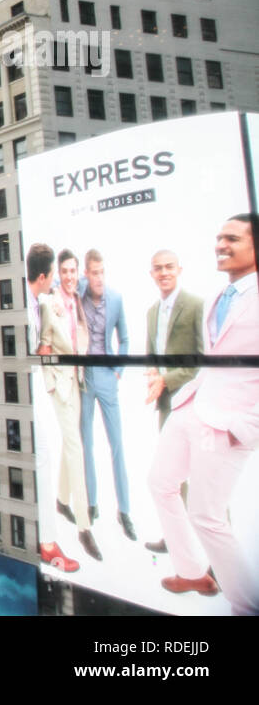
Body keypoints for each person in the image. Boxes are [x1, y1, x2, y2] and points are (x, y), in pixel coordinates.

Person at [147, 214, 259, 613]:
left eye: (232, 238)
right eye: (218, 238)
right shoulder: (217, 296)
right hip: (193, 407)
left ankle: (247, 604)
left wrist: (247, 427)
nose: (220, 245)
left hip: (230, 423)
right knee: (160, 483)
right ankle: (193, 571)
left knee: (207, 516)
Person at [38, 248, 101, 561]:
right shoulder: (51, 304)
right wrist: (51, 383)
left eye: (74, 271)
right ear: (57, 274)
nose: (70, 276)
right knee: (75, 446)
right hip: (61, 384)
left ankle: (62, 499)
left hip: (78, 381)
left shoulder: (78, 298)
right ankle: (84, 527)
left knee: (70, 442)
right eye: (64, 271)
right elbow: (44, 346)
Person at [142, 248, 205, 554]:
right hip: (166, 404)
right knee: (170, 476)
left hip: (195, 401)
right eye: (158, 268)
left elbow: (201, 361)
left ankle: (212, 546)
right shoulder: (152, 311)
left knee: (204, 476)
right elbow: (151, 355)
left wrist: (166, 379)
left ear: (180, 269)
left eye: (169, 267)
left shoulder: (195, 305)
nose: (164, 272)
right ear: (151, 274)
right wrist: (154, 375)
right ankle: (176, 538)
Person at [27, 243, 79, 573]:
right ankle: (46, 542)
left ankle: (44, 539)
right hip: (26, 391)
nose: (56, 282)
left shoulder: (41, 302)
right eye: (53, 277)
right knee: (43, 457)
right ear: (43, 276)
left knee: (43, 456)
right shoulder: (29, 306)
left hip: (37, 388)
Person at [77, 250, 134, 539]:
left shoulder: (117, 299)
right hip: (85, 377)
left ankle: (124, 510)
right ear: (86, 274)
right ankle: (91, 504)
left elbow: (125, 339)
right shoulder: (79, 291)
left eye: (102, 272)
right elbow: (58, 284)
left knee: (117, 445)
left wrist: (118, 372)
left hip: (108, 377)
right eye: (94, 273)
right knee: (86, 443)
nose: (99, 278)